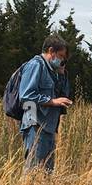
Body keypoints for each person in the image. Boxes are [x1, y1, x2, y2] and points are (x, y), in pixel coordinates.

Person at [18, 35, 72, 172]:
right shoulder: (35, 65)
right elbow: (26, 95)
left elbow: (64, 96)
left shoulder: (54, 71)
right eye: (60, 56)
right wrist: (52, 101)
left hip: (48, 127)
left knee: (47, 173)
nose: (62, 60)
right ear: (51, 50)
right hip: (35, 125)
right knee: (33, 172)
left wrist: (62, 74)